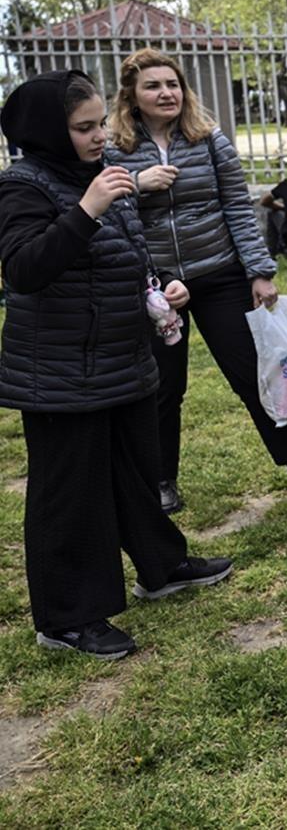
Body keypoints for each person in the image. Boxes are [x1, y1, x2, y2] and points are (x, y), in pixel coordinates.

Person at [0, 70, 233, 660]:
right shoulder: (21, 186)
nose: (99, 135)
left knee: (136, 470)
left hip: (122, 357)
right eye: (83, 127)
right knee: (69, 494)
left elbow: (127, 257)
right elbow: (25, 269)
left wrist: (163, 288)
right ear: (49, 132)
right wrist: (86, 210)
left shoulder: (105, 177)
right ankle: (68, 617)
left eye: (100, 122)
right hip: (60, 372)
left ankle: (162, 565)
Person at [105, 48, 287, 514]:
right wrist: (136, 180)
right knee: (164, 387)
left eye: (173, 84)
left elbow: (237, 207)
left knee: (254, 373)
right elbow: (103, 206)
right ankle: (163, 479)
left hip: (219, 273)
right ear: (131, 95)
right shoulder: (115, 149)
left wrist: (259, 270)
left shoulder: (209, 139)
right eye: (153, 86)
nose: (166, 93)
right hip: (156, 287)